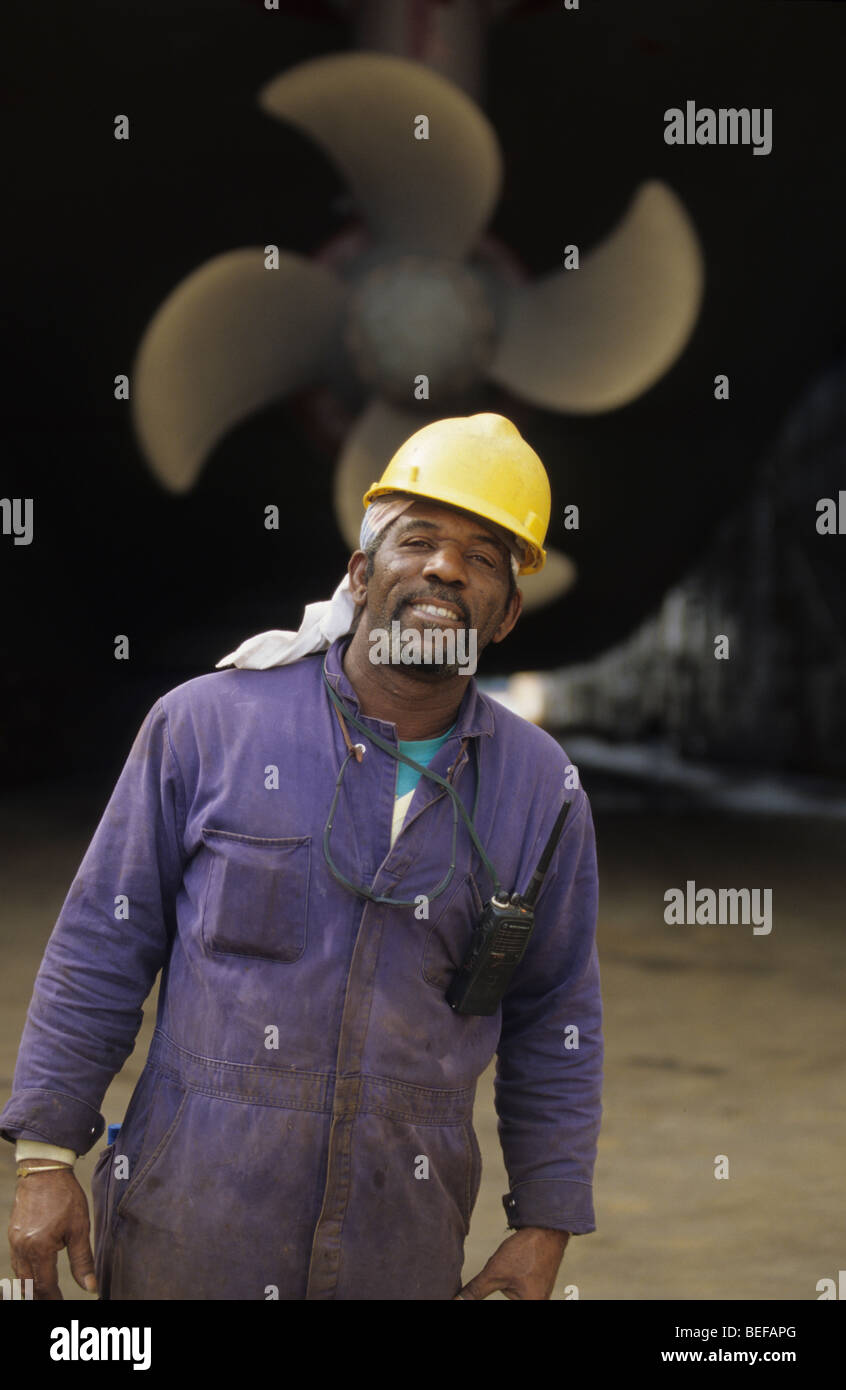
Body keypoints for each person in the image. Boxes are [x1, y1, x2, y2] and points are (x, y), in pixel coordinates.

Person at [2, 412, 603, 1301]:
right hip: (191, 1230)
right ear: (362, 574)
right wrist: (46, 1158)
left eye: (484, 557)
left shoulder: (540, 788)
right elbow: (102, 942)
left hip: (398, 1242)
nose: (445, 567)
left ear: (508, 612)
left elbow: (556, 1016)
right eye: (419, 540)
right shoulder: (207, 725)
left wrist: (545, 1224)